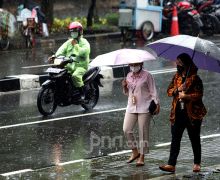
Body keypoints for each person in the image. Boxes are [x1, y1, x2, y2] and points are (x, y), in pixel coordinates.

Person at [159, 53, 207, 173]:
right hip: (177, 113)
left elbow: (199, 94)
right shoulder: (177, 77)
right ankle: (171, 164)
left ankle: (197, 163)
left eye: (180, 62)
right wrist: (178, 90)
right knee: (175, 138)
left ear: (185, 63)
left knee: (194, 138)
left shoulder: (195, 78)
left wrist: (186, 96)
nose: (178, 64)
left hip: (192, 114)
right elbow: (169, 91)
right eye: (177, 62)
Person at [122, 62, 160, 166]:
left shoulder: (147, 75)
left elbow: (153, 91)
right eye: (131, 64)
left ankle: (142, 156)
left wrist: (157, 103)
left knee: (143, 132)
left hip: (145, 106)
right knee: (126, 129)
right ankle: (135, 152)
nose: (133, 66)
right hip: (131, 106)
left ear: (141, 64)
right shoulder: (128, 75)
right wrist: (125, 86)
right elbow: (127, 93)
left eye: (135, 64)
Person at [52, 21, 90, 101]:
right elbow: (61, 49)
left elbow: (84, 53)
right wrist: (55, 56)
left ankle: (82, 93)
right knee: (59, 73)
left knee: (75, 76)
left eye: (75, 32)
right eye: (72, 32)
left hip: (81, 66)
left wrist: (76, 45)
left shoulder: (84, 42)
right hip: (70, 65)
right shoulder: (69, 42)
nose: (73, 33)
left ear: (80, 32)